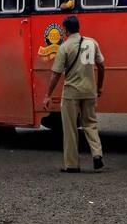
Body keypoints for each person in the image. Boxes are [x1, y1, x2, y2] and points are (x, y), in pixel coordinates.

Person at [41, 15, 106, 173]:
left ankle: (71, 164)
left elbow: (56, 74)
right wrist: (99, 87)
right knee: (91, 124)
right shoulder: (92, 42)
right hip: (90, 91)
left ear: (65, 30)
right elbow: (102, 65)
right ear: (78, 27)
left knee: (70, 128)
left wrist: (48, 95)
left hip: (71, 93)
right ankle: (97, 154)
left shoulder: (64, 47)